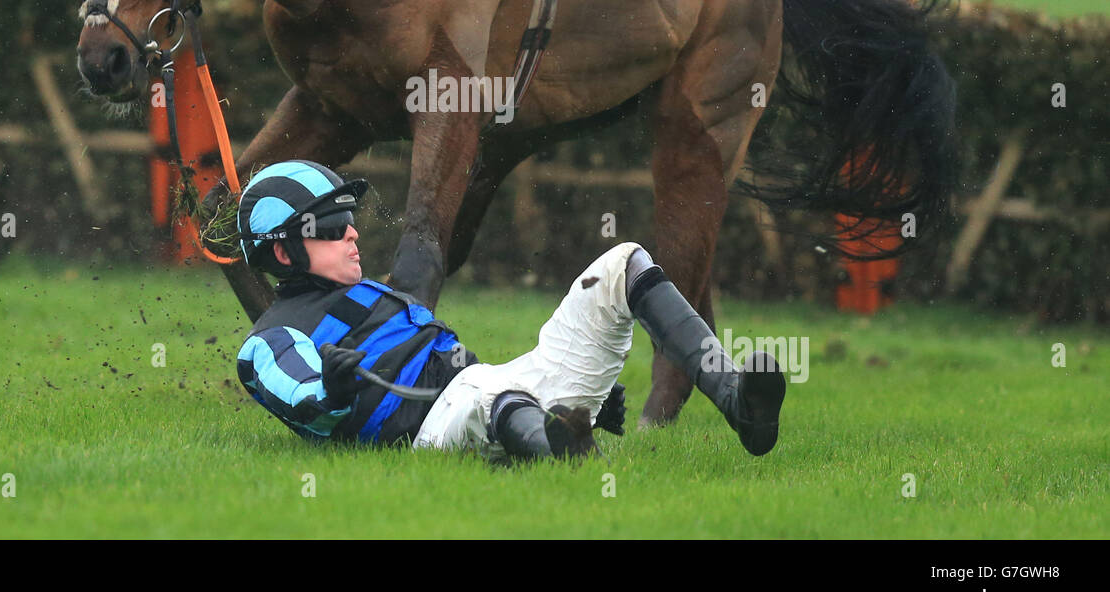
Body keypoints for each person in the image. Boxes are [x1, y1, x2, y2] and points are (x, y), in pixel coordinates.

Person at [234, 160, 786, 462]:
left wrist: (584, 401)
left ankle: (737, 401)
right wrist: (331, 391)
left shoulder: (363, 293)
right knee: (494, 396)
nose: (353, 233)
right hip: (432, 429)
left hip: (489, 383)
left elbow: (463, 374)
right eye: (331, 227)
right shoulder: (271, 338)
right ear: (283, 251)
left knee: (624, 263)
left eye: (350, 218)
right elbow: (302, 403)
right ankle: (562, 453)